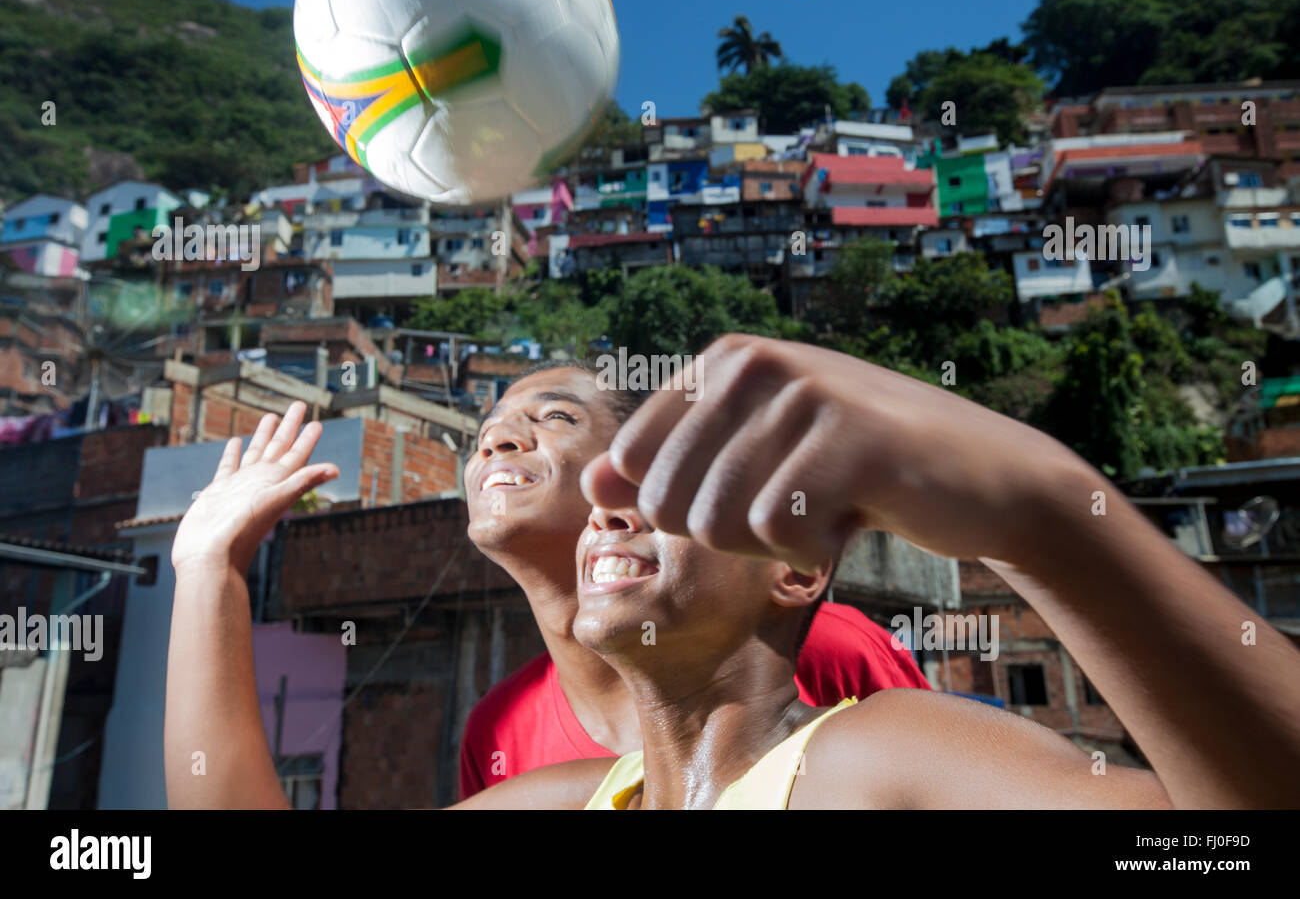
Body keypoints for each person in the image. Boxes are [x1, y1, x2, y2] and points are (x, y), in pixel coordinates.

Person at [165, 335, 1300, 808]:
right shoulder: (560, 792)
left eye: (658, 480)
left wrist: (1038, 511)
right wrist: (208, 569)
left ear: (798, 572)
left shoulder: (873, 748)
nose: (614, 499)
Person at [457, 360, 928, 797]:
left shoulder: (829, 646)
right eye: (485, 428)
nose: (496, 438)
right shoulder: (496, 733)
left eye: (556, 416)